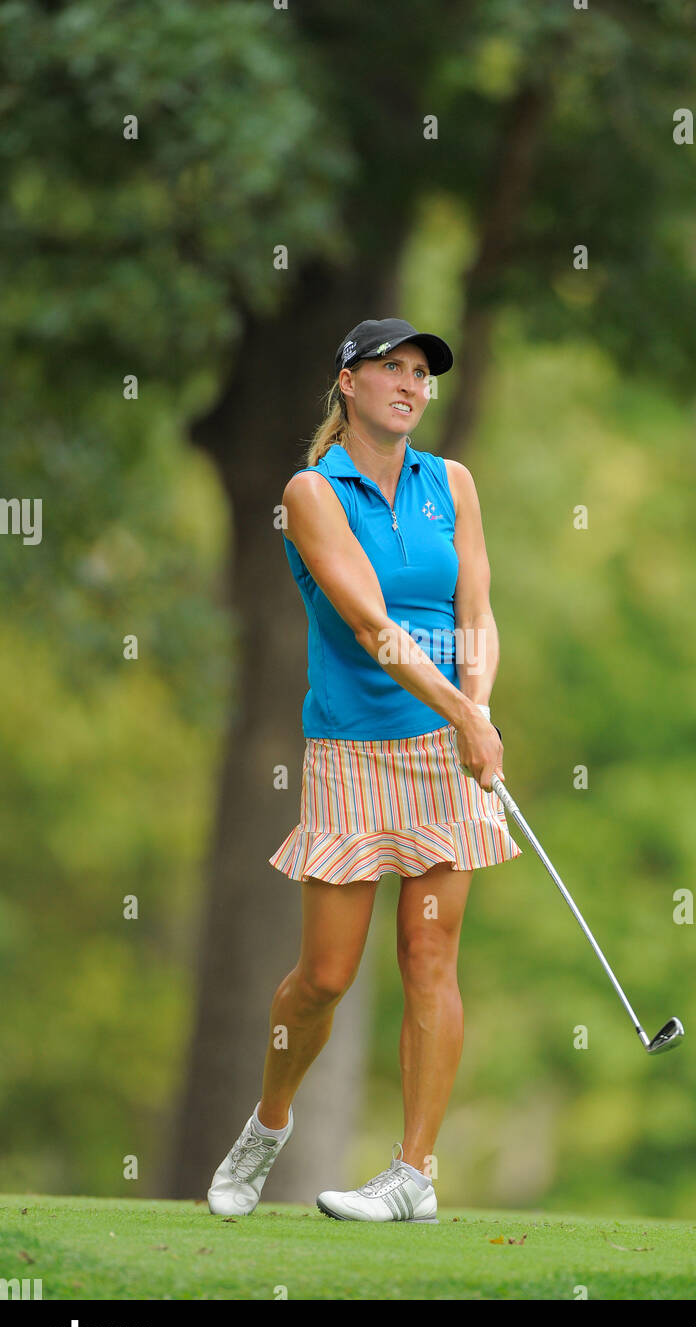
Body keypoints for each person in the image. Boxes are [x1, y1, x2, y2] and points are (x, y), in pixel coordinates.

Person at [207, 316, 522, 1224]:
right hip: (351, 750)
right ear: (347, 383)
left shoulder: (450, 483)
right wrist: (464, 712)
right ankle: (268, 1124)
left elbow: (477, 609)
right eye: (393, 368)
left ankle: (414, 1174)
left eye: (423, 373)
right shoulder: (313, 491)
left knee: (430, 958)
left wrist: (478, 702)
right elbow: (371, 626)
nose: (412, 384)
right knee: (325, 978)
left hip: (444, 752)